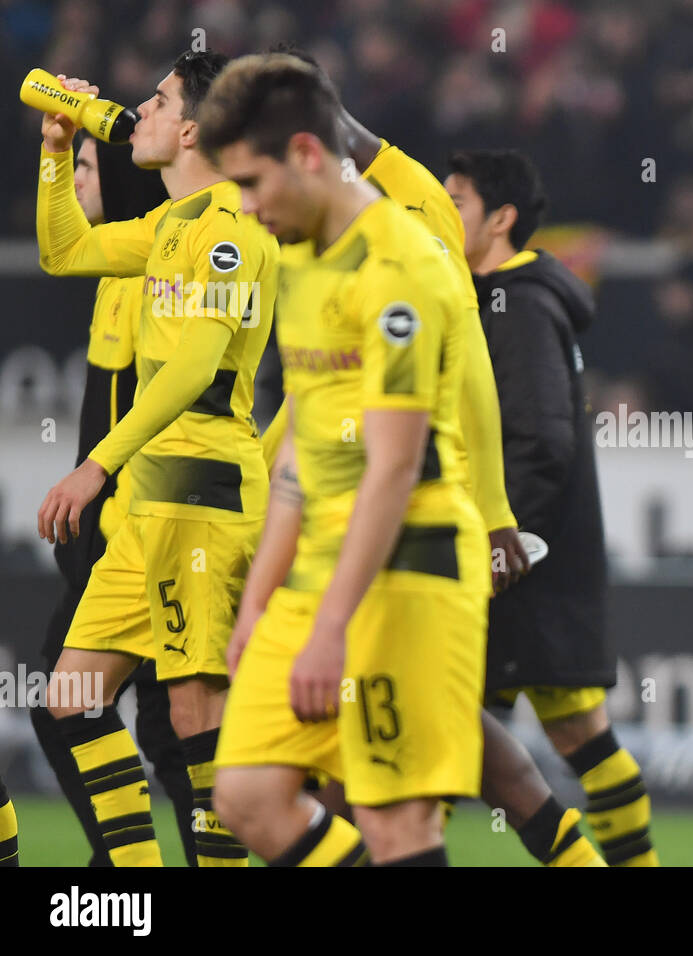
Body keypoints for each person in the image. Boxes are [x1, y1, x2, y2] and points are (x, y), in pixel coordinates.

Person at [264, 45, 603, 866]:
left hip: (403, 520)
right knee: (437, 732)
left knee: (377, 770)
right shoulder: (319, 237)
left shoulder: (405, 232)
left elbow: (475, 386)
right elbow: (311, 401)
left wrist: (494, 517)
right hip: (352, 514)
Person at [200, 53, 488, 866]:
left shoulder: (401, 268)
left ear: (307, 154)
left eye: (253, 185)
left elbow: (393, 466)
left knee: (397, 825)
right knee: (248, 796)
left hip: (409, 574)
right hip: (315, 573)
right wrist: (259, 600)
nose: (248, 210)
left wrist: (330, 630)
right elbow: (303, 445)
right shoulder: (296, 257)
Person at [35, 51, 279, 867]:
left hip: (202, 494)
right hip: (147, 501)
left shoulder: (231, 233)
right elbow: (63, 252)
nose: (138, 109)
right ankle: (134, 879)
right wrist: (57, 150)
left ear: (193, 128)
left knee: (193, 716)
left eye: (158, 98)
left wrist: (94, 463)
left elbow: (194, 365)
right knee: (72, 699)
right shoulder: (169, 227)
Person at [447, 150, 658, 866]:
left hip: (524, 566)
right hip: (523, 559)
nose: (442, 213)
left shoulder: (518, 303)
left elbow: (541, 441)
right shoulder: (504, 297)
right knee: (466, 734)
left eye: (457, 201)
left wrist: (503, 540)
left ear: (501, 219)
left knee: (556, 739)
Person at [27, 134, 199, 867]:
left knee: (162, 727)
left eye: (90, 171)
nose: (80, 183)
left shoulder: (157, 268)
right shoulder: (120, 268)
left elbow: (146, 408)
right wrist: (57, 149)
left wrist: (96, 488)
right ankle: (124, 864)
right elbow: (58, 246)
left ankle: (124, 867)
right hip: (115, 528)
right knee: (141, 723)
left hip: (144, 526)